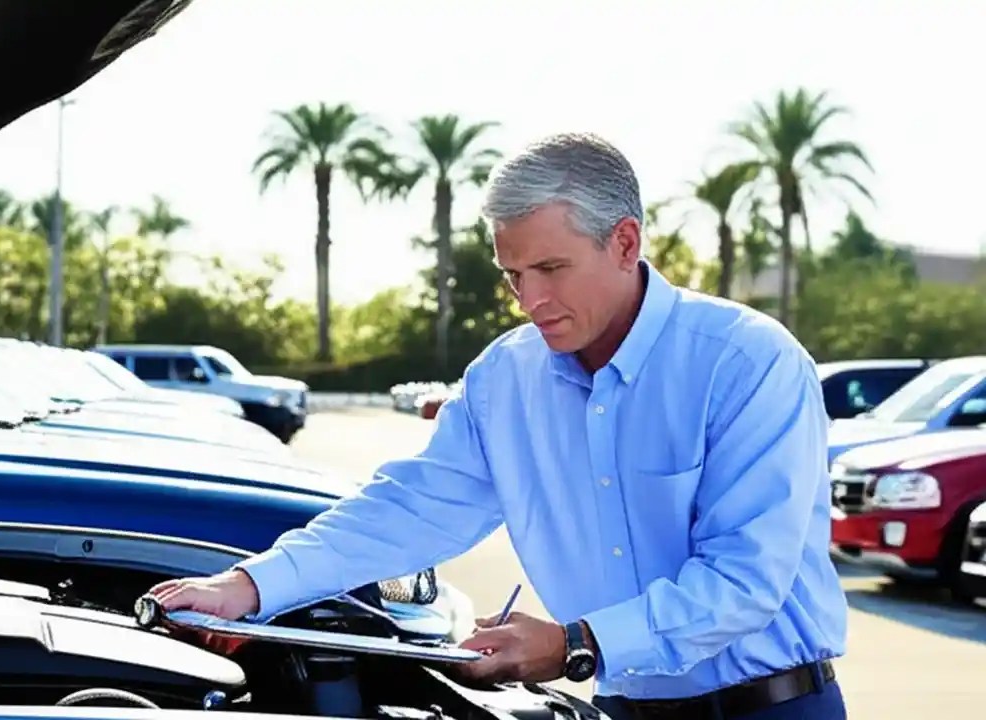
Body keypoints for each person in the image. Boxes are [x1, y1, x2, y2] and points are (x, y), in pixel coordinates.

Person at [148, 132, 848, 720]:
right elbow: (410, 507)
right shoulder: (505, 378)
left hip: (773, 708)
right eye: (513, 274)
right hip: (616, 707)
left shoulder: (746, 363)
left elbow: (743, 582)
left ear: (626, 242)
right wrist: (250, 586)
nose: (530, 300)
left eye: (550, 267)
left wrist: (573, 642)